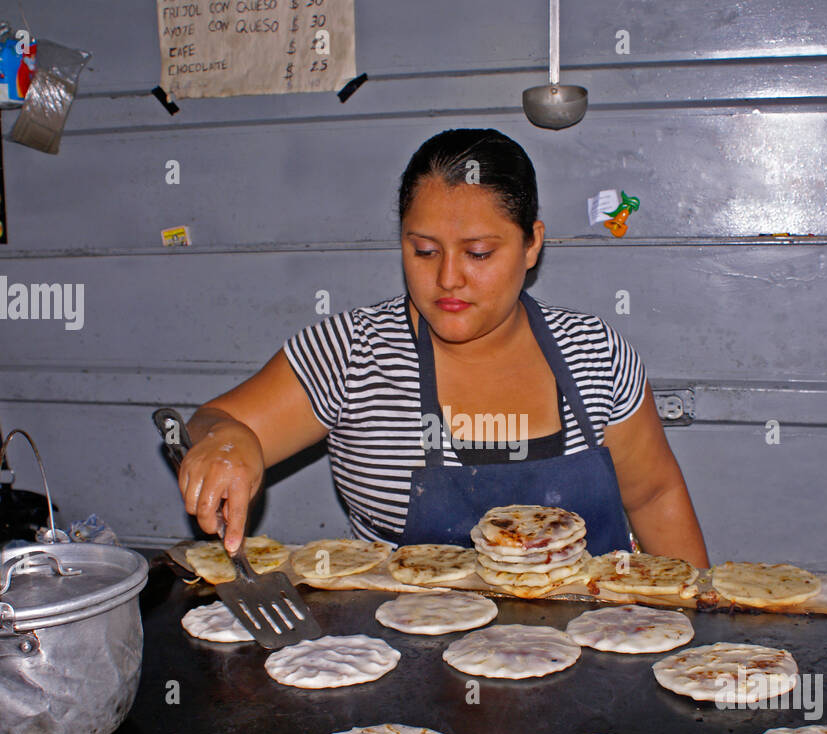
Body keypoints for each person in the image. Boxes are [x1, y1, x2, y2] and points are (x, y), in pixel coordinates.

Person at [178, 128, 708, 566]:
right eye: (425, 250)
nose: (448, 277)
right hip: (408, 670)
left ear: (532, 245)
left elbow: (654, 496)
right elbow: (217, 419)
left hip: (594, 653)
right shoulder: (351, 353)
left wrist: (703, 626)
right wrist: (227, 441)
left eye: (478, 253)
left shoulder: (595, 353)